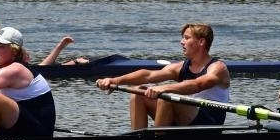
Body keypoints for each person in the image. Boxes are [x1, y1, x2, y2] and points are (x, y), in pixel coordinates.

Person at [96, 23, 231, 129]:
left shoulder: (218, 68)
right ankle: (137, 139)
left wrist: (164, 88)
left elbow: (198, 85)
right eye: (182, 37)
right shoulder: (180, 67)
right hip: (185, 120)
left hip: (208, 125)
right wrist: (114, 80)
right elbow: (147, 75)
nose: (181, 42)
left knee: (168, 98)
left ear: (201, 42)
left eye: (187, 38)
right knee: (138, 93)